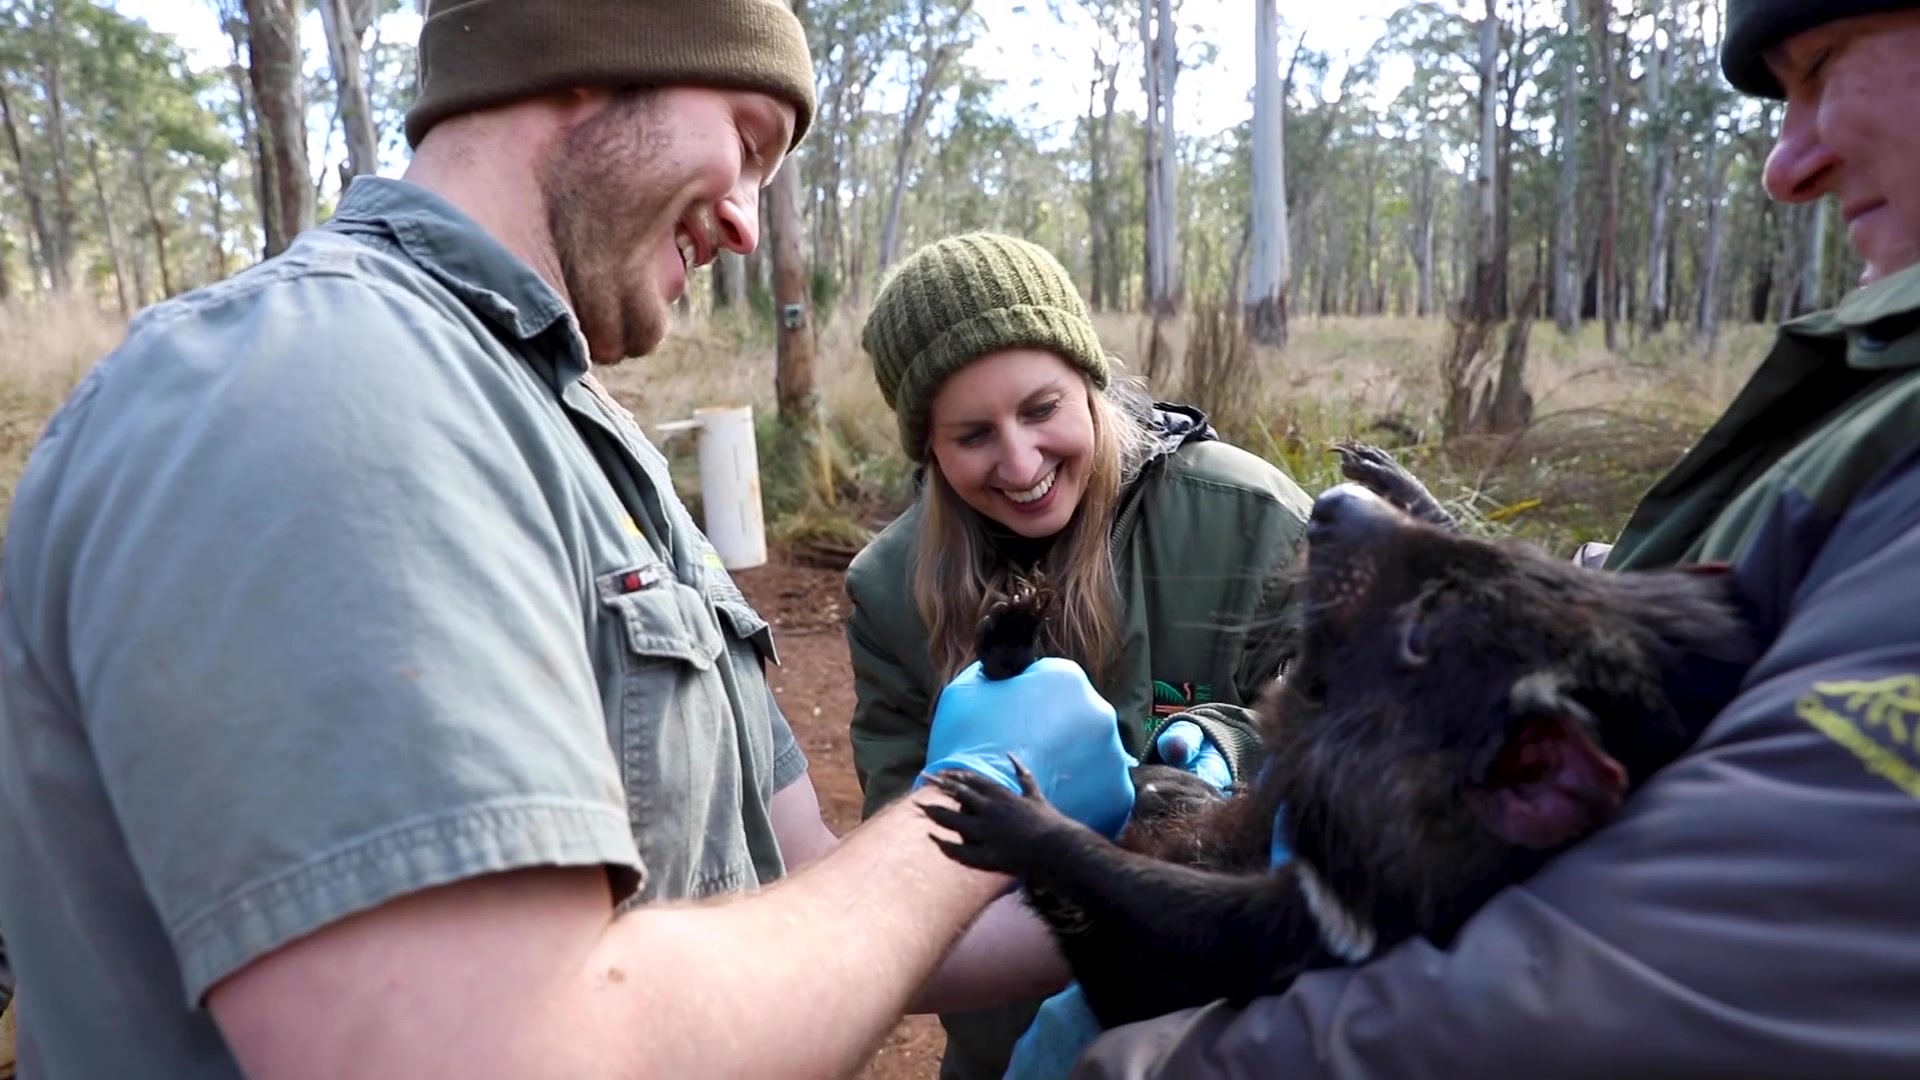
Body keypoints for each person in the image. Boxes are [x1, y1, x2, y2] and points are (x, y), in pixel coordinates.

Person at [0, 4, 1145, 1077]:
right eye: (745, 141)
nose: (749, 220)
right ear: (584, 51)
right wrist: (973, 797)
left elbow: (809, 903)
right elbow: (484, 1052)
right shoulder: (322, 391)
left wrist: (1192, 884)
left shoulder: (590, 442)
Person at [1067, 4, 1920, 1077]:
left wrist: (1150, 1059)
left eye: (1823, 68)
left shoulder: (1226, 500)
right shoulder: (1873, 376)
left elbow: (1669, 974)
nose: (1786, 167)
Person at [842, 231, 1316, 1079]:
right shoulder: (889, 592)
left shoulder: (1252, 521)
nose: (1020, 464)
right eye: (972, 435)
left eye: (1040, 410)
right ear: (929, 448)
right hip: (1008, 1045)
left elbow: (1342, 745)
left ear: (1090, 384)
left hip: (1224, 1036)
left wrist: (1225, 744)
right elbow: (905, 849)